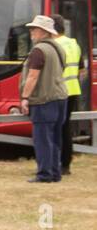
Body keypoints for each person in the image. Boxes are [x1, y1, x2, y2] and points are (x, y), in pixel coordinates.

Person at [20, 15, 68, 183]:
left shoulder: (39, 50)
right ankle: (55, 173)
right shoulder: (58, 48)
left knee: (42, 139)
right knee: (55, 138)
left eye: (34, 29)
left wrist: (25, 97)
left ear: (43, 32)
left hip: (43, 99)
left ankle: (44, 174)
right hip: (61, 97)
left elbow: (33, 77)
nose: (31, 31)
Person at [49, 13, 82, 176]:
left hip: (57, 91)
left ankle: (53, 164)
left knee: (53, 128)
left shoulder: (53, 45)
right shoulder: (73, 44)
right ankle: (65, 165)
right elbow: (81, 70)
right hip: (73, 90)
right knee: (65, 128)